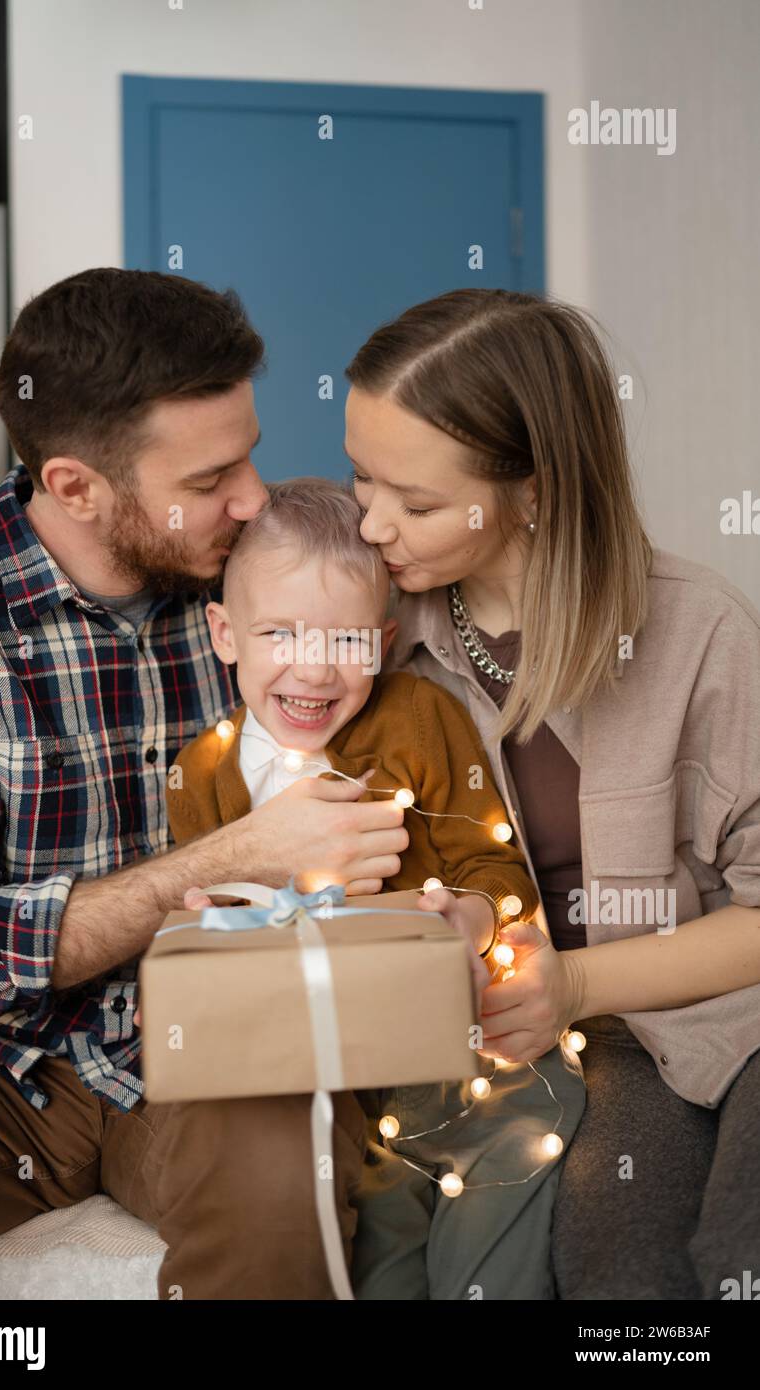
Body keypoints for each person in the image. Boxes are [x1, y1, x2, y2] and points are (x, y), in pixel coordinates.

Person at [0, 268, 410, 1301]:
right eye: (209, 478)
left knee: (279, 1161)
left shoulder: (257, 581)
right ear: (76, 485)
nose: (253, 497)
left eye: (250, 451)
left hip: (195, 1042)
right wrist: (229, 857)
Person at [342, 286, 760, 1300]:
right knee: (614, 1269)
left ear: (531, 491)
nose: (370, 524)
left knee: (740, 1255)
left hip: (732, 1010)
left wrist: (570, 983)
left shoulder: (697, 627)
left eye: (416, 502)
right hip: (597, 1048)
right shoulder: (375, 640)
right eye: (362, 480)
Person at [163, 474, 585, 1300]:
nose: (314, 671)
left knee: (500, 1194)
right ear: (225, 634)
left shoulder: (420, 721)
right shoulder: (200, 776)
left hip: (468, 1050)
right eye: (280, 633)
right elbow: (208, 934)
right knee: (380, 1247)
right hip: (342, 1083)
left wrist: (471, 916)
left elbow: (497, 870)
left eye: (347, 641)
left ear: (385, 641)